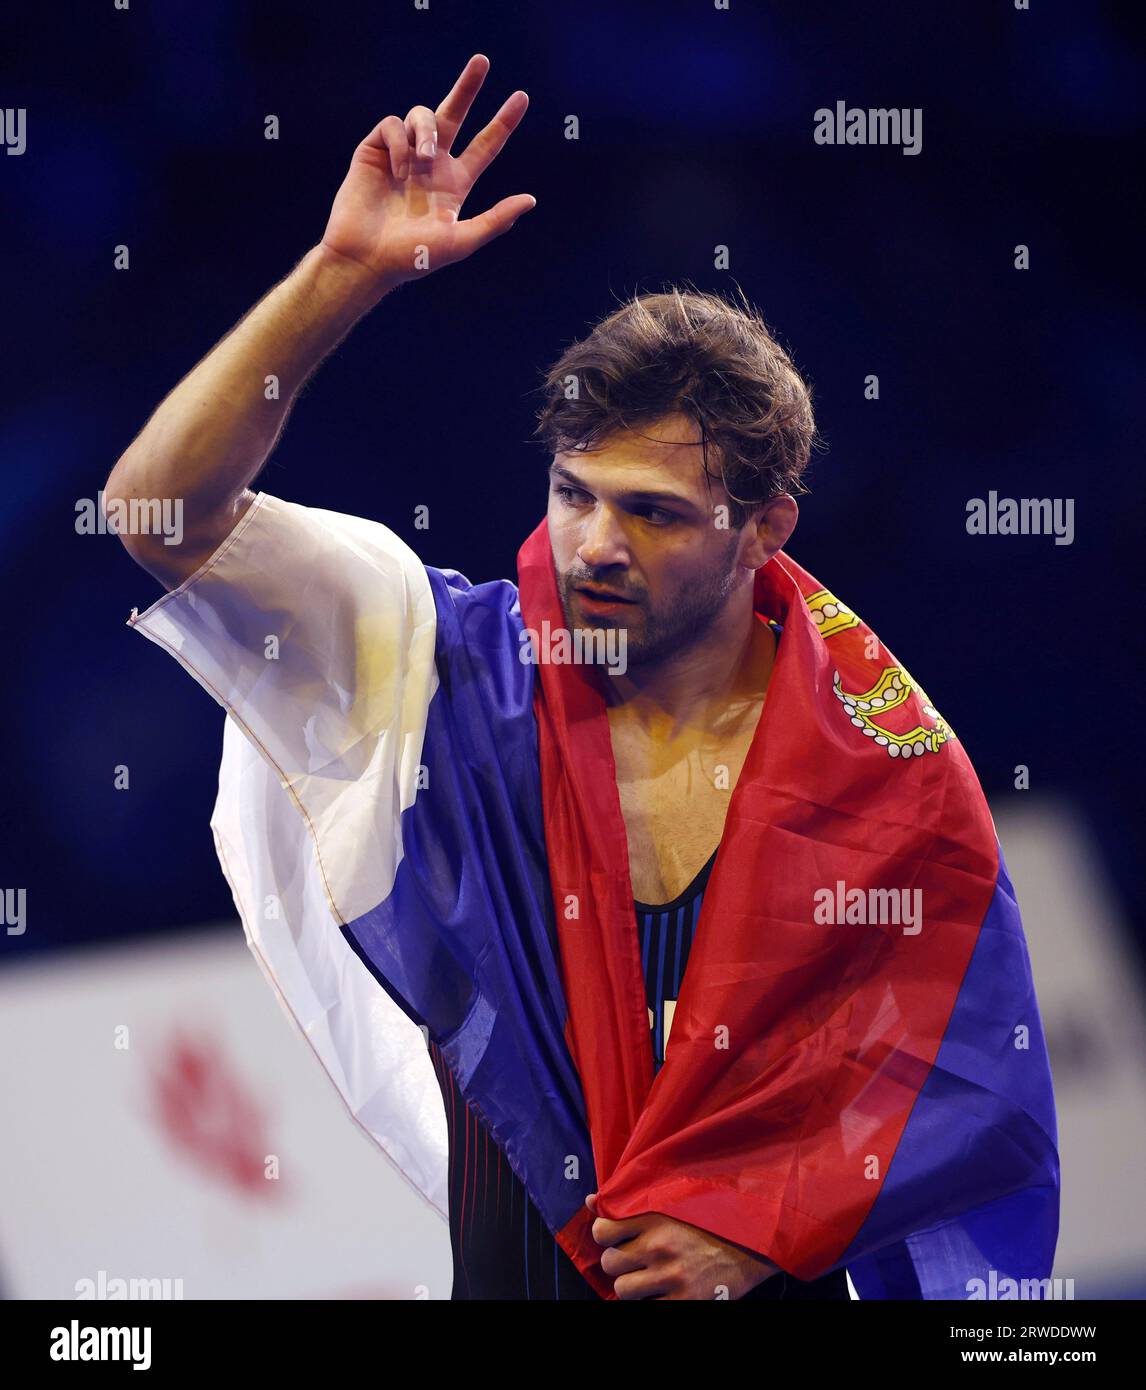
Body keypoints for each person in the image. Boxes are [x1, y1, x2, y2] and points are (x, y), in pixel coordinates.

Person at [107, 54, 1059, 1302]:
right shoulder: (429, 663)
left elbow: (978, 1092)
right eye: (573, 495)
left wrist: (766, 1222)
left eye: (656, 514)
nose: (597, 545)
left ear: (765, 528)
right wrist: (340, 279)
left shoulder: (889, 781)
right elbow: (158, 510)